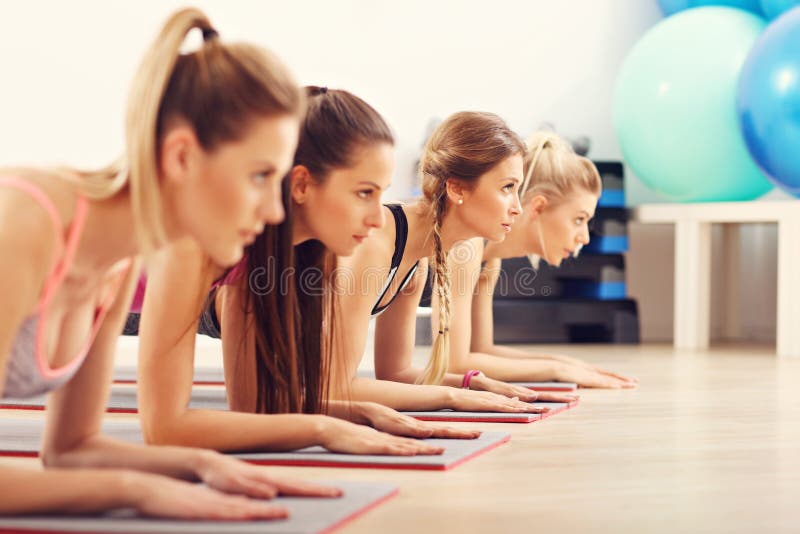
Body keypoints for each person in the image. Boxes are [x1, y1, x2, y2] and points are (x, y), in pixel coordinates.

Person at [0, 8, 338, 519]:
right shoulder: (25, 224)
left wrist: (201, 464)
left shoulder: (116, 263)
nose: (274, 211)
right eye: (258, 176)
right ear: (181, 156)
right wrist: (137, 490)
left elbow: (70, 450)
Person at [137, 87, 479, 458]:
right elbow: (166, 429)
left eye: (380, 194)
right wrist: (323, 426)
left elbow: (257, 410)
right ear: (300, 185)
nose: (379, 217)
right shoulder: (209, 248)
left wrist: (361, 412)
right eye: (364, 193)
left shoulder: (293, 261)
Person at [334, 112, 579, 408]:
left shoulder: (416, 263)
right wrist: (452, 396)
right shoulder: (376, 243)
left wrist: (470, 382)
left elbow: (394, 374)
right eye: (507, 188)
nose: (517, 207)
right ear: (456, 188)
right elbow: (338, 387)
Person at [422, 132, 639, 388]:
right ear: (538, 207)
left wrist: (566, 364)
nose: (585, 238)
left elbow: (481, 350)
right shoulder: (468, 246)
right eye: (579, 219)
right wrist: (554, 369)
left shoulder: (489, 258)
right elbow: (453, 364)